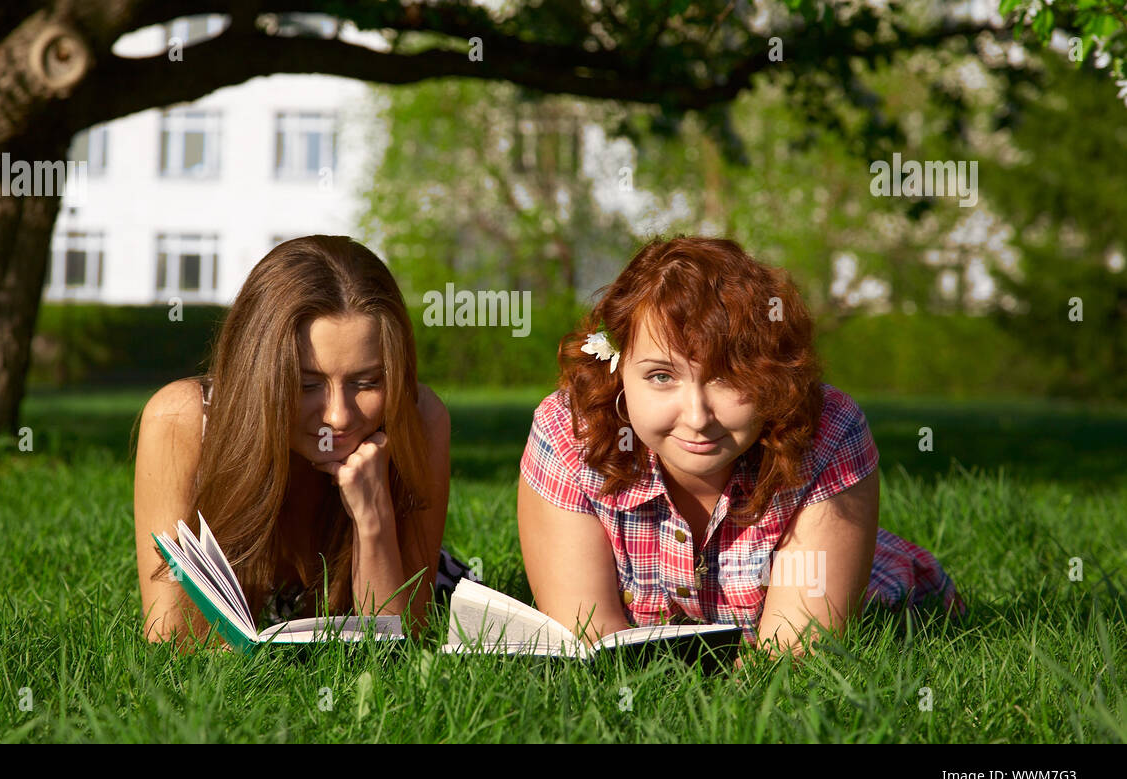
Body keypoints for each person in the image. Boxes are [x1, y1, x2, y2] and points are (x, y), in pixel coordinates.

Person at [517, 235, 966, 667]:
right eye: (660, 376)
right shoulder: (569, 435)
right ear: (617, 371)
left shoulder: (828, 432)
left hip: (886, 604)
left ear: (772, 375)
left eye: (726, 377)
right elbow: (593, 645)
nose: (697, 416)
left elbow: (793, 658)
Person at [133, 234, 475, 650]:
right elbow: (170, 638)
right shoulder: (181, 419)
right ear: (259, 372)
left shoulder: (419, 417)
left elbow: (402, 644)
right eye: (306, 384)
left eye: (367, 382)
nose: (338, 416)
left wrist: (373, 520)